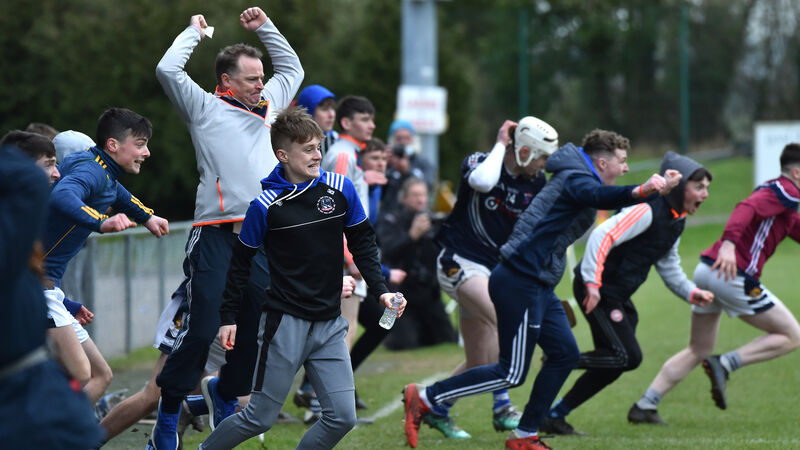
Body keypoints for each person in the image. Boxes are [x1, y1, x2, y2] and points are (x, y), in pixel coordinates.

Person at [403, 129, 681, 449]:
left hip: (539, 282)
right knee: (511, 372)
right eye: (622, 161)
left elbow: (598, 199)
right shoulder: (575, 179)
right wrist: (644, 189)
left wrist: (656, 190)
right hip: (520, 279)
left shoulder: (578, 177)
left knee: (564, 354)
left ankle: (525, 435)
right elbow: (599, 196)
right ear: (602, 162)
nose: (626, 168)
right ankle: (425, 398)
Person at [198, 106, 405, 450]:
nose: (317, 155)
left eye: (318, 147)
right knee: (259, 417)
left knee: (342, 416)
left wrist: (381, 290)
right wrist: (228, 318)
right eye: (307, 149)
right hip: (284, 325)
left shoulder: (339, 188)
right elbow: (240, 265)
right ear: (283, 154)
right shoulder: (264, 205)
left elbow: (363, 242)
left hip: (329, 323)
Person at [150, 6, 303, 448]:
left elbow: (292, 67)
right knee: (201, 330)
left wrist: (266, 28)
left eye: (261, 77)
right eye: (251, 78)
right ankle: (169, 409)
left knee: (260, 326)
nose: (261, 84)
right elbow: (167, 68)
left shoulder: (271, 106)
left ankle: (223, 390)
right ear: (226, 82)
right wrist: (193, 32)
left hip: (259, 238)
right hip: (215, 233)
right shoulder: (204, 107)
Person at [541, 151, 715, 435]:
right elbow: (602, 235)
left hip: (617, 294)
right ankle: (560, 356)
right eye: (699, 187)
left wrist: (691, 293)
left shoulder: (675, 219)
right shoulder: (647, 209)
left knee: (614, 363)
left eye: (707, 187)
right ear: (681, 187)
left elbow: (668, 264)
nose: (705, 194)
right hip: (597, 289)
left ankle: (554, 416)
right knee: (626, 356)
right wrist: (592, 283)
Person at [629, 143, 800, 424]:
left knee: (699, 349)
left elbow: (792, 225)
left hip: (708, 271)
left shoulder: (780, 197)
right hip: (732, 274)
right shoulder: (787, 190)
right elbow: (745, 208)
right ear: (796, 172)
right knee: (792, 336)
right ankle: (726, 363)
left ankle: (645, 405)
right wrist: (730, 244)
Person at [427, 117, 557, 439]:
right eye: (540, 156)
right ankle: (502, 407)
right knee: (506, 318)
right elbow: (484, 183)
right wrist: (501, 143)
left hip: (494, 271)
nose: (544, 164)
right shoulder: (480, 162)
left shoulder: (536, 183)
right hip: (459, 261)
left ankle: (436, 406)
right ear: (524, 151)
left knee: (477, 361)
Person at [42, 107, 167, 409]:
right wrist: (101, 222)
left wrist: (147, 216)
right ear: (112, 145)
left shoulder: (101, 170)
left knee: (99, 374)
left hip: (46, 289)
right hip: (32, 286)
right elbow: (62, 196)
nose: (147, 152)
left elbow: (117, 192)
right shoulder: (91, 170)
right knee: (85, 373)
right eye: (140, 144)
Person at [0, 141, 104, 449]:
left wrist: (68, 303)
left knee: (97, 373)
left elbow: (36, 280)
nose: (56, 174)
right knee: (84, 372)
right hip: (23, 392)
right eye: (48, 163)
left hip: (50, 309)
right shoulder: (19, 217)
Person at [378, 177, 457, 350]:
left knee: (447, 339)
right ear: (404, 198)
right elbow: (389, 252)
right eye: (415, 195)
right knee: (403, 345)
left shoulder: (434, 221)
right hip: (399, 293)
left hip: (427, 290)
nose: (420, 199)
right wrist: (412, 236)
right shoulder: (391, 220)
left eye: (423, 195)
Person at [388, 119, 435, 189]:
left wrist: (407, 172)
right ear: (392, 140)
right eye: (399, 138)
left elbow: (429, 185)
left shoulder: (422, 162)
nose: (403, 142)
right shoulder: (387, 162)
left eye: (407, 138)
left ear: (413, 140)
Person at [296, 84, 338, 157]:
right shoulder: (294, 143)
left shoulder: (335, 140)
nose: (331, 115)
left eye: (333, 108)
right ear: (308, 112)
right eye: (325, 109)